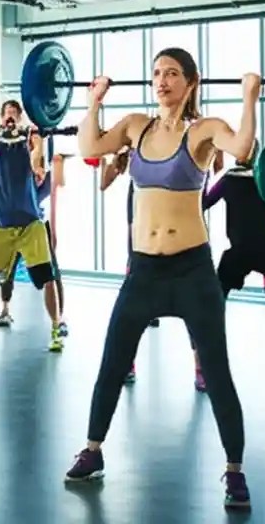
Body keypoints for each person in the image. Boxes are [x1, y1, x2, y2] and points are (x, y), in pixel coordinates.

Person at [65, 47, 258, 510]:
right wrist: (94, 101)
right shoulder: (137, 126)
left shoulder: (203, 130)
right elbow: (90, 147)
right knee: (113, 362)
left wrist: (250, 98)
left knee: (217, 372)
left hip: (192, 270)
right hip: (144, 270)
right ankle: (92, 450)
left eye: (172, 73)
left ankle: (234, 471)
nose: (162, 80)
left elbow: (243, 148)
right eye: (156, 73)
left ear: (191, 82)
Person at [200, 141, 265, 385]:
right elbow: (203, 204)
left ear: (256, 154)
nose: (242, 152)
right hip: (239, 251)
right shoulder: (229, 179)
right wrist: (204, 172)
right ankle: (211, 362)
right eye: (240, 147)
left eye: (248, 148)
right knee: (214, 305)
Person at [0, 100, 63, 353]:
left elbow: (36, 156)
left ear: (20, 119)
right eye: (6, 114)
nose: (10, 117)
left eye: (14, 114)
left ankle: (56, 327)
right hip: (0, 225)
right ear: (0, 120)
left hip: (30, 226)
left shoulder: (28, 141)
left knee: (47, 279)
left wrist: (38, 162)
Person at [0, 145, 68, 340]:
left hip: (36, 228)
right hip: (13, 226)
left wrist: (58, 163)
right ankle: (5, 311)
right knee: (6, 274)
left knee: (52, 274)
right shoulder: (20, 176)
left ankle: (59, 319)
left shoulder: (43, 181)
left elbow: (58, 182)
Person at [97, 145, 160, 385]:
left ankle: (201, 369)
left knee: (193, 311)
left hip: (167, 235)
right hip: (138, 238)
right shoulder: (130, 155)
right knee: (129, 312)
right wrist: (103, 158)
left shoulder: (168, 155)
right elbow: (104, 183)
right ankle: (127, 364)